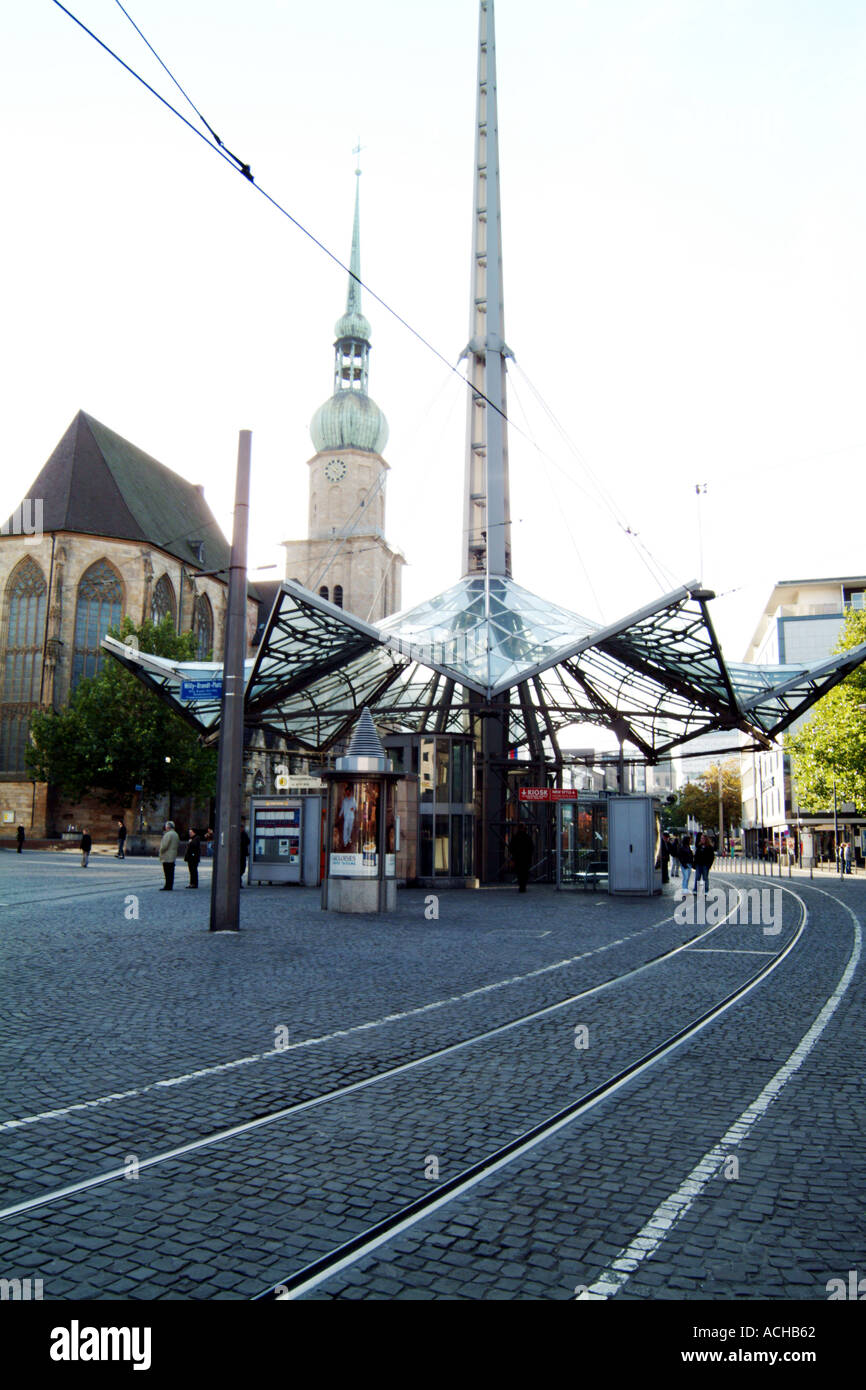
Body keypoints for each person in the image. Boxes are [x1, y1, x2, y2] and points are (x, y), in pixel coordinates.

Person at [509, 824, 533, 893]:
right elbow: (531, 848)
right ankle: (523, 886)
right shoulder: (527, 837)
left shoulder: (515, 837)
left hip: (518, 858)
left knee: (519, 873)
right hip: (526, 858)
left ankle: (521, 885)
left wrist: (513, 856)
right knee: (525, 873)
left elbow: (511, 847)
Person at [159, 820, 179, 890]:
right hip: (173, 856)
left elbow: (164, 846)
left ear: (168, 827)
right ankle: (170, 885)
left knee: (167, 872)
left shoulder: (168, 834)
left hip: (167, 856)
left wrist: (161, 851)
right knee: (171, 872)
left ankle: (167, 886)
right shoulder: (176, 834)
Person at [240, 818, 250, 886]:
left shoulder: (244, 834)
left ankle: (238, 882)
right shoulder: (237, 834)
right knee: (239, 869)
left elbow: (248, 841)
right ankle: (238, 883)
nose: (242, 829)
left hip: (243, 853)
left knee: (242, 868)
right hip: (239, 854)